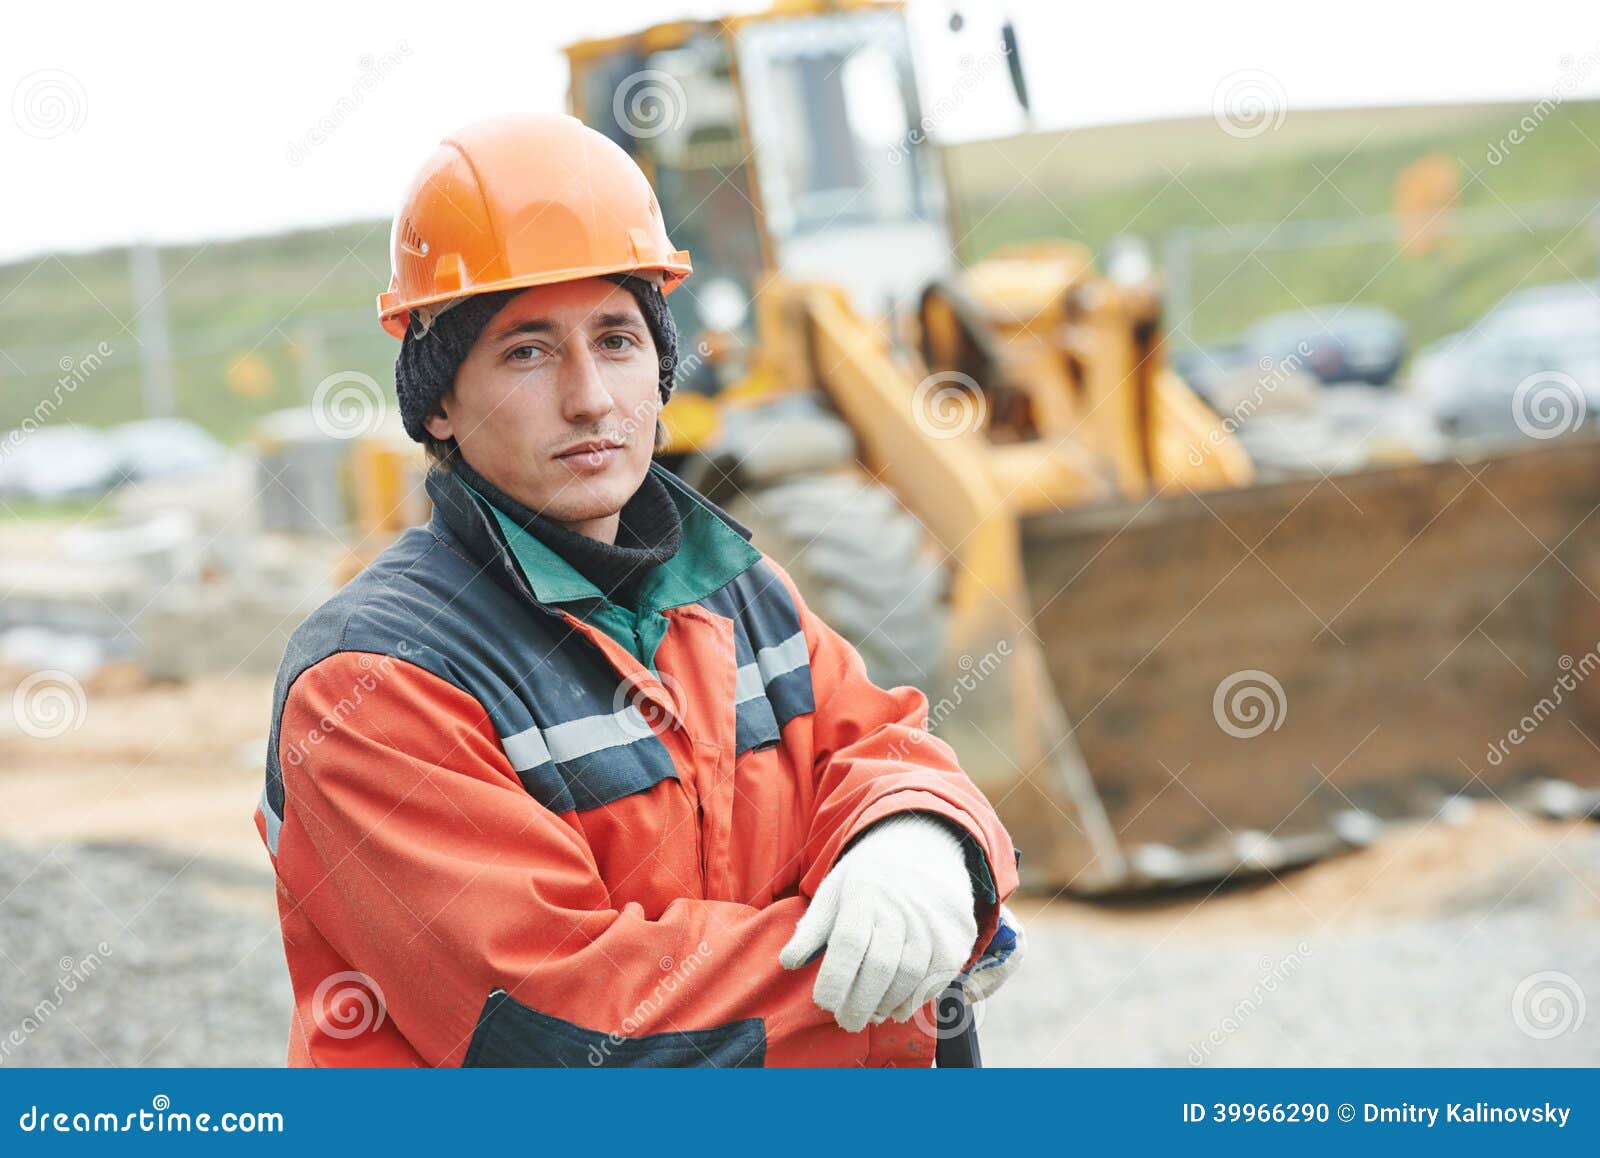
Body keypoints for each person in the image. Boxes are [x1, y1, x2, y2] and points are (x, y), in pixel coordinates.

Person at [255, 112, 1024, 1067]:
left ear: (661, 369)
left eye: (616, 340)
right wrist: (906, 977)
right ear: (439, 401)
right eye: (527, 351)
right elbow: (563, 1022)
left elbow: (877, 743)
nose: (590, 398)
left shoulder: (741, 593)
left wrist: (920, 835)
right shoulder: (372, 681)